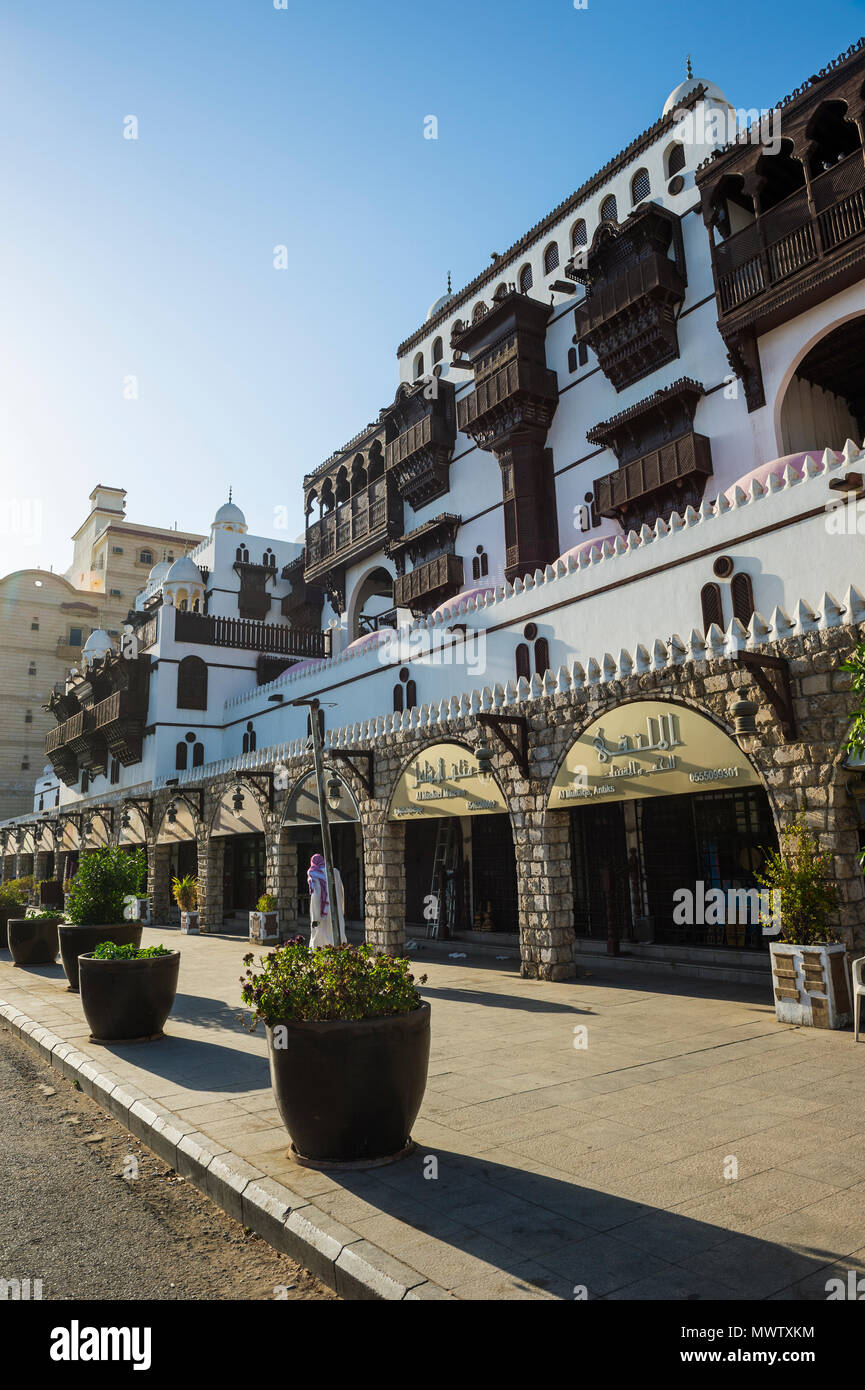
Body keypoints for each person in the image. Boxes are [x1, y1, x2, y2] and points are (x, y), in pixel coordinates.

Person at [307, 852, 345, 948]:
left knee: (320, 934)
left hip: (321, 911)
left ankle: (321, 958)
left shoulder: (313, 873)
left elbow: (316, 895)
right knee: (337, 932)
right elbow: (341, 891)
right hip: (336, 908)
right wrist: (341, 907)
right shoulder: (335, 871)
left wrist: (316, 918)